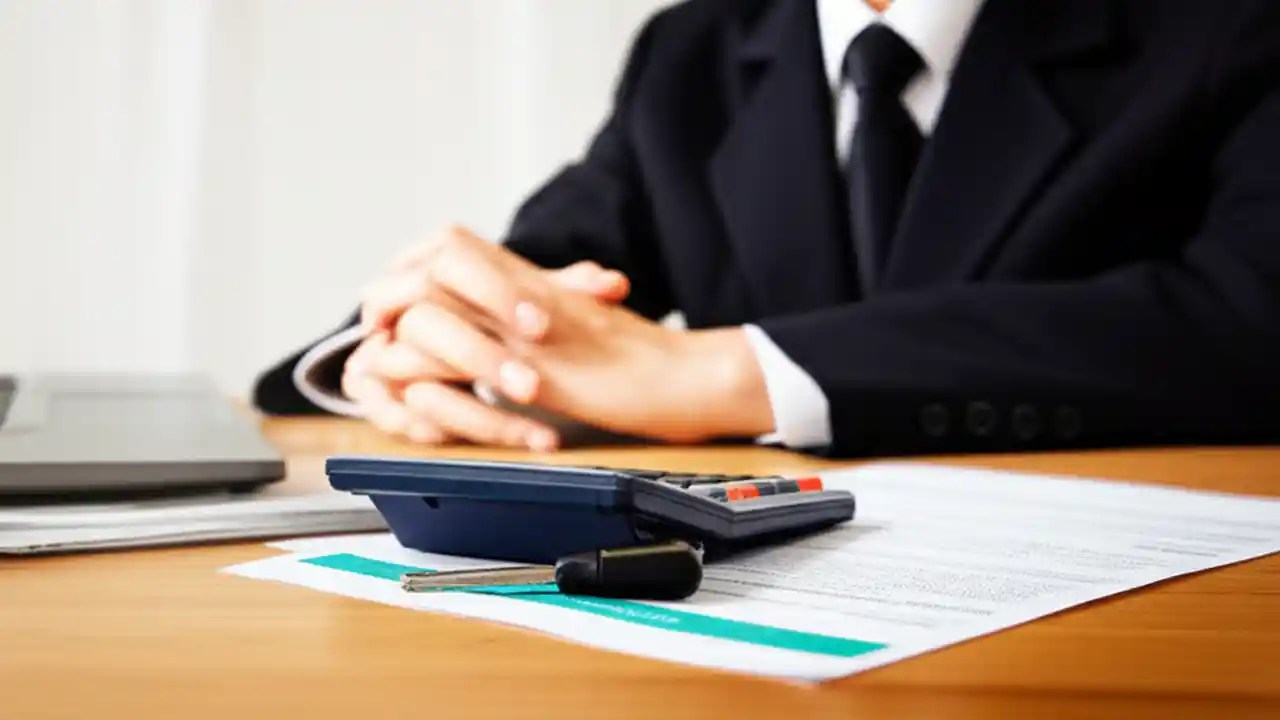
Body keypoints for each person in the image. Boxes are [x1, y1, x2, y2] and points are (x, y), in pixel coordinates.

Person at [254, 0, 1280, 457]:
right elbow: (546, 280)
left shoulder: (1223, 25)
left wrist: (715, 374)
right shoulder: (693, 51)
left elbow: (1245, 318)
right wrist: (402, 348)